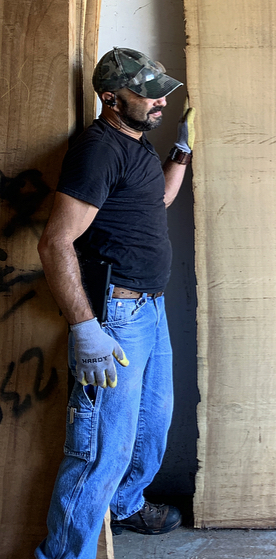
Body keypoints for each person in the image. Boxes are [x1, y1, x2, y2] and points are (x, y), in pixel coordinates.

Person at [35, 47, 195, 559]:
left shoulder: (138, 143)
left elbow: (158, 202)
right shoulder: (99, 149)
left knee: (152, 427)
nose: (160, 103)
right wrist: (86, 328)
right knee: (100, 450)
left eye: (161, 92)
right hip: (116, 318)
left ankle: (124, 506)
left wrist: (182, 154)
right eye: (147, 95)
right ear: (109, 98)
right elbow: (55, 242)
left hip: (151, 310)